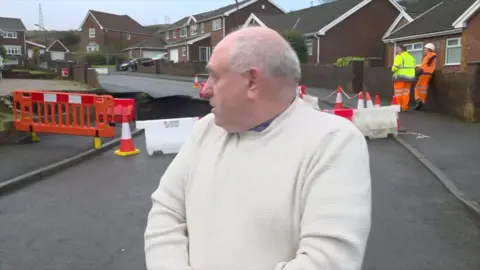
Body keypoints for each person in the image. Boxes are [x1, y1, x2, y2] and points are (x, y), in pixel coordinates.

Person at [144, 26, 372, 270]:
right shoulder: (205, 130)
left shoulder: (332, 141)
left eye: (215, 76)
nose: (204, 89)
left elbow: (328, 261)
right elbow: (166, 213)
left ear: (252, 82)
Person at [392, 44, 416, 112]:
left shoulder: (399, 57)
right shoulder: (411, 58)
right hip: (409, 79)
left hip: (400, 78)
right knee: (406, 93)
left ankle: (398, 107)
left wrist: (392, 68)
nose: (397, 50)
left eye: (398, 49)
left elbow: (394, 69)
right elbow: (414, 67)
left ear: (401, 49)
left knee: (398, 93)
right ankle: (404, 107)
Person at [413, 43, 436, 110]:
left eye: (425, 49)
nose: (424, 51)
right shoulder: (431, 56)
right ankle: (421, 101)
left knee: (417, 87)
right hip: (428, 74)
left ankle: (419, 100)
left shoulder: (430, 56)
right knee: (423, 87)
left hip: (424, 73)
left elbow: (425, 66)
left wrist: (419, 70)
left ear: (429, 50)